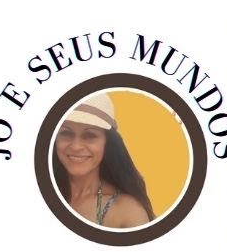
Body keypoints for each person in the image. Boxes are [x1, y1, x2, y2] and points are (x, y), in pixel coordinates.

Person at [54, 92, 155, 228]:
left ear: (107, 143)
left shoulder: (127, 212)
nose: (76, 146)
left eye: (90, 135)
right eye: (66, 133)